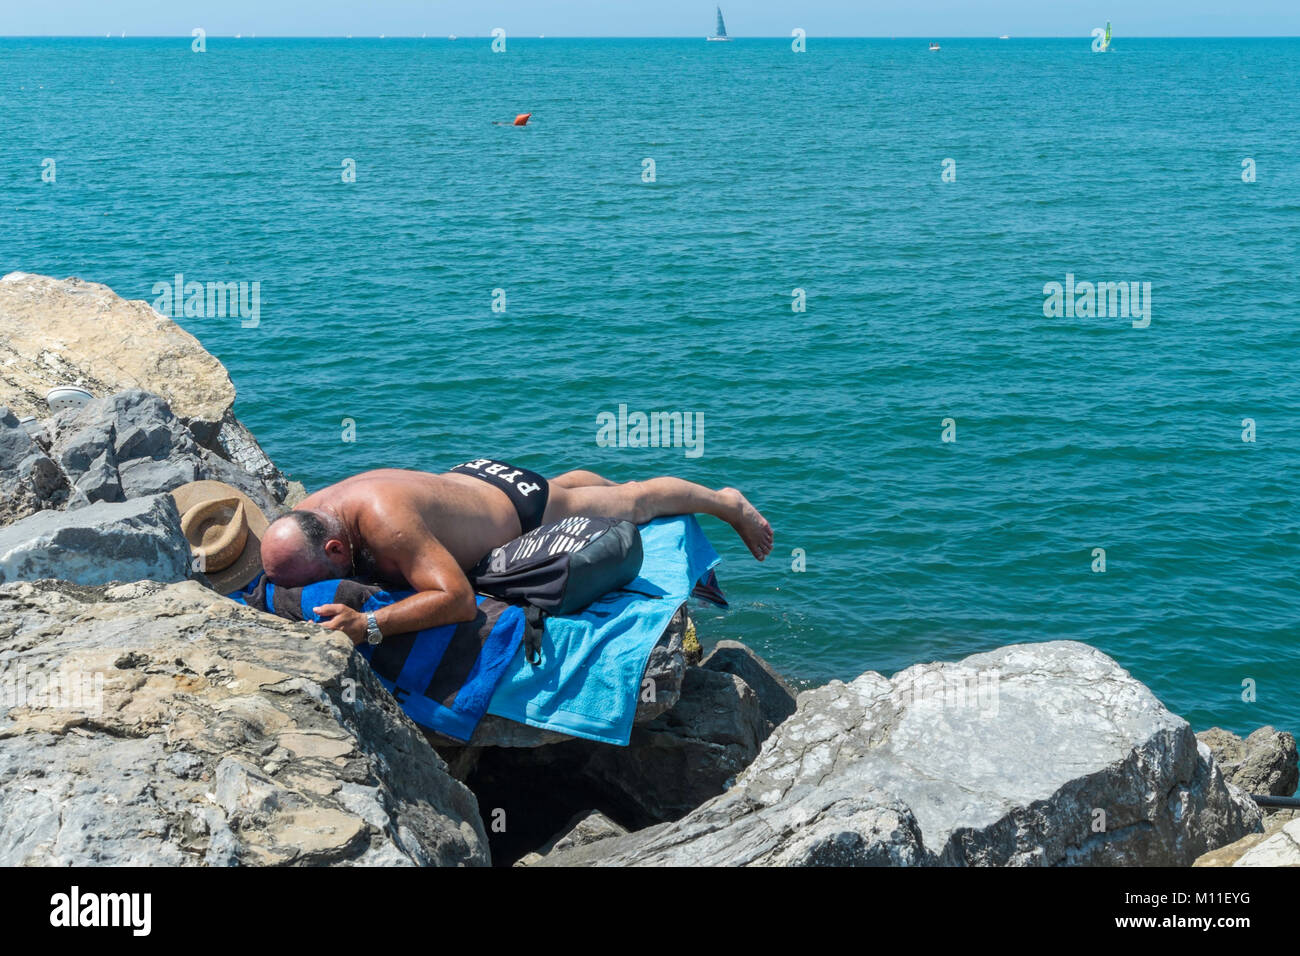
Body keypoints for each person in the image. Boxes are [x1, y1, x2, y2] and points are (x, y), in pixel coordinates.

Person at [259, 458, 773, 644]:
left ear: (334, 545)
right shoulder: (313, 510)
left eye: (312, 580)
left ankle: (724, 502)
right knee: (575, 492)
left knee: (634, 500)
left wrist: (369, 625)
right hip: (471, 484)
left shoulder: (386, 526)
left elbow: (458, 600)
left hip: (515, 508)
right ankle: (586, 489)